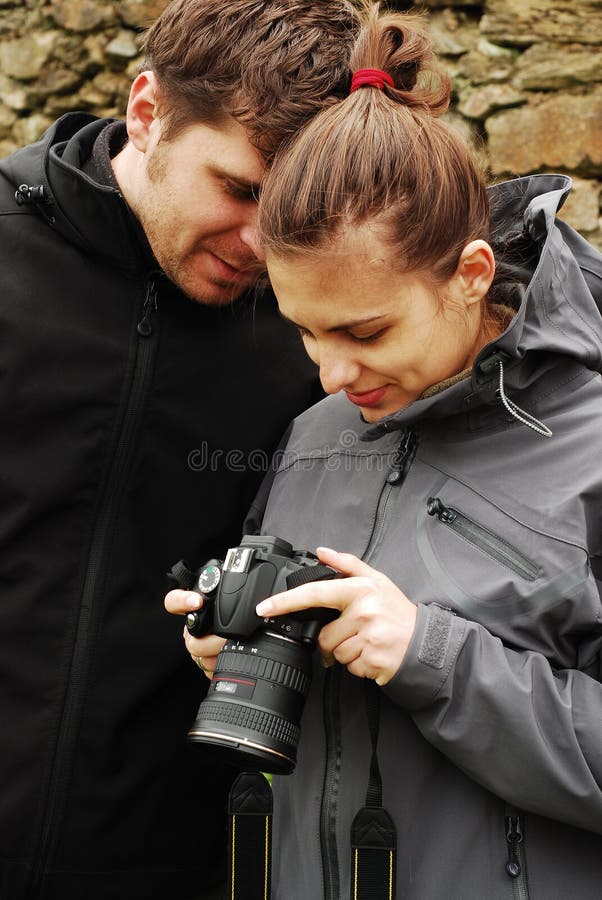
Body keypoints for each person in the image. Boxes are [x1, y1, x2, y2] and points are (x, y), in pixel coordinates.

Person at [166, 3, 602, 898]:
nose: (330, 377)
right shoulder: (318, 432)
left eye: (363, 330)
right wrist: (243, 644)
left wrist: (432, 655)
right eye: (305, 333)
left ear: (472, 273)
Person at [0, 2, 363, 898]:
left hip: (181, 863)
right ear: (147, 110)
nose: (257, 245)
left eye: (288, 213)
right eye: (239, 190)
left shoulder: (320, 335)